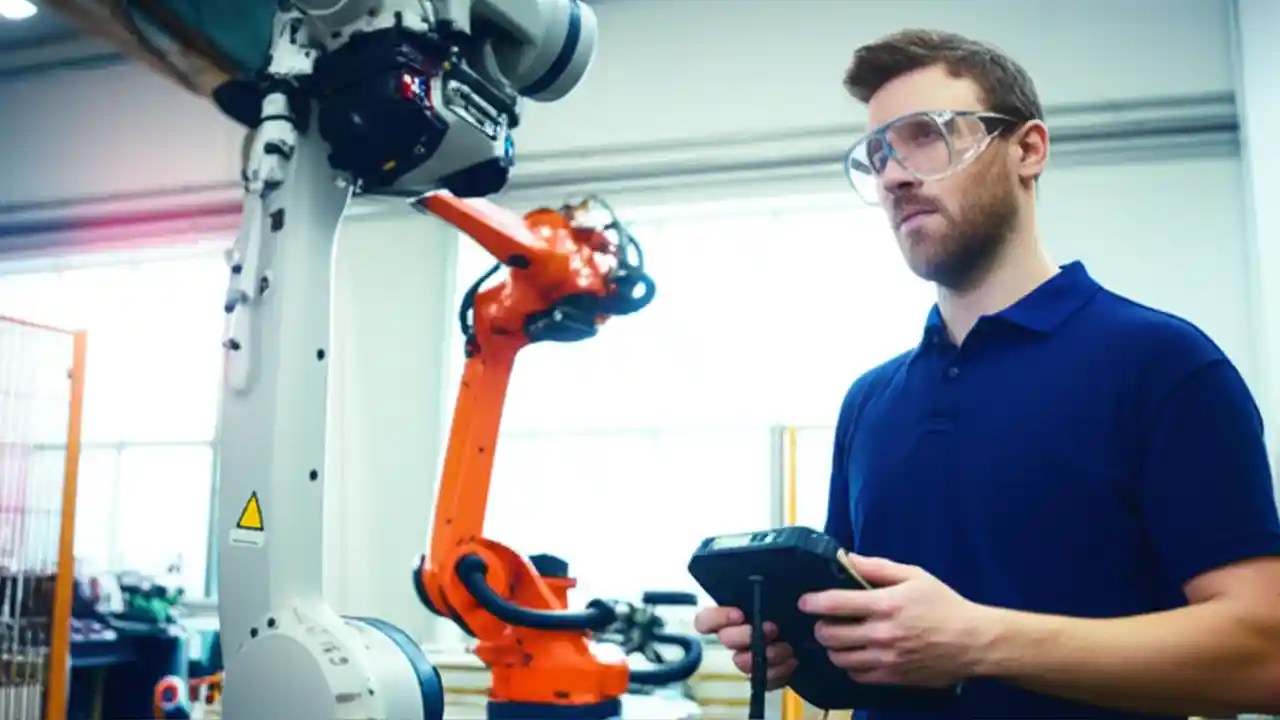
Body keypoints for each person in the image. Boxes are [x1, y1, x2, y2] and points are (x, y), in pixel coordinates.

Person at [693, 28, 1280, 719]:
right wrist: (798, 648)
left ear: (1028, 150)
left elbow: (1263, 658)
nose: (893, 175)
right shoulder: (871, 402)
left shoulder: (1163, 365)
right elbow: (874, 654)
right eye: (877, 153)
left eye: (926, 136)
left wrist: (980, 641)